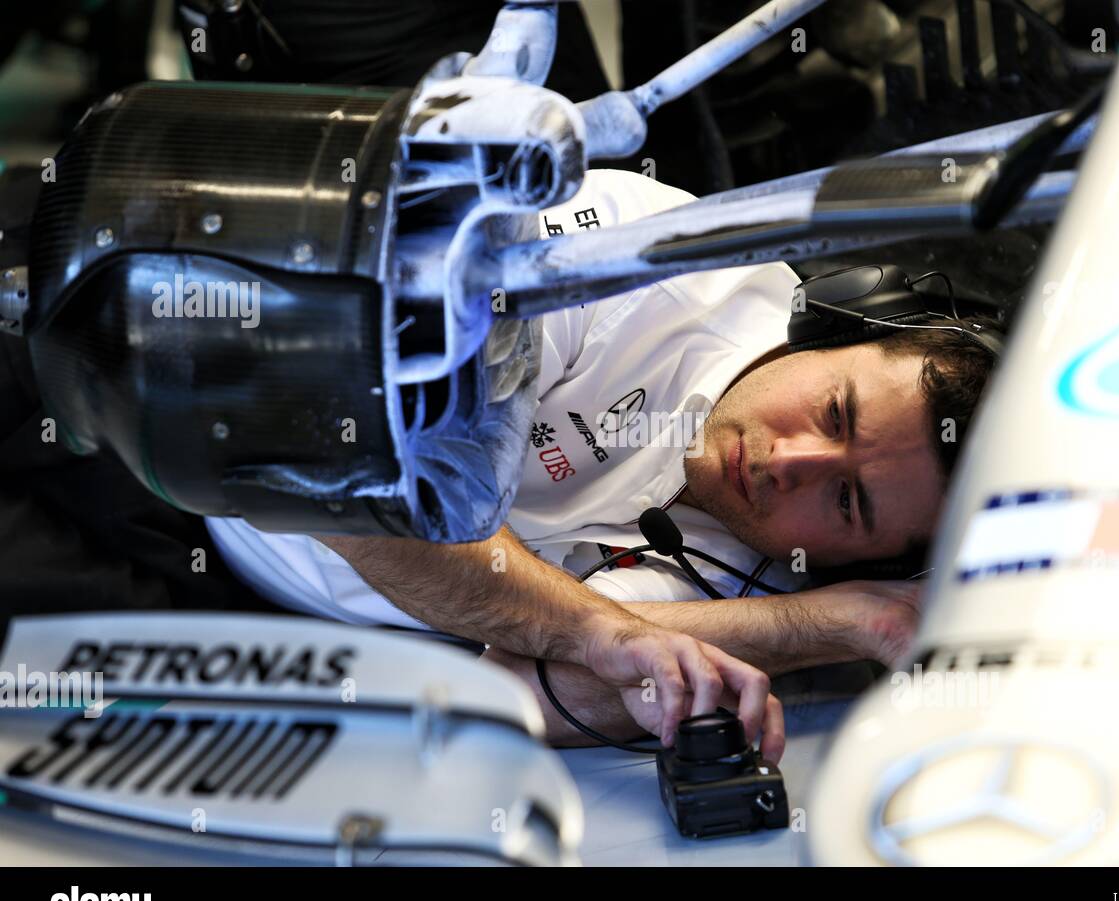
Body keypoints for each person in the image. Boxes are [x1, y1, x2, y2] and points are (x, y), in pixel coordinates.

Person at [208, 168, 997, 761]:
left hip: (284, 643)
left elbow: (519, 696)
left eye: (848, 502)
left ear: (848, 560)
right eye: (835, 412)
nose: (788, 463)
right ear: (831, 323)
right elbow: (340, 479)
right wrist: (595, 630)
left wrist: (837, 624)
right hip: (178, 442)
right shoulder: (643, 257)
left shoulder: (773, 567)